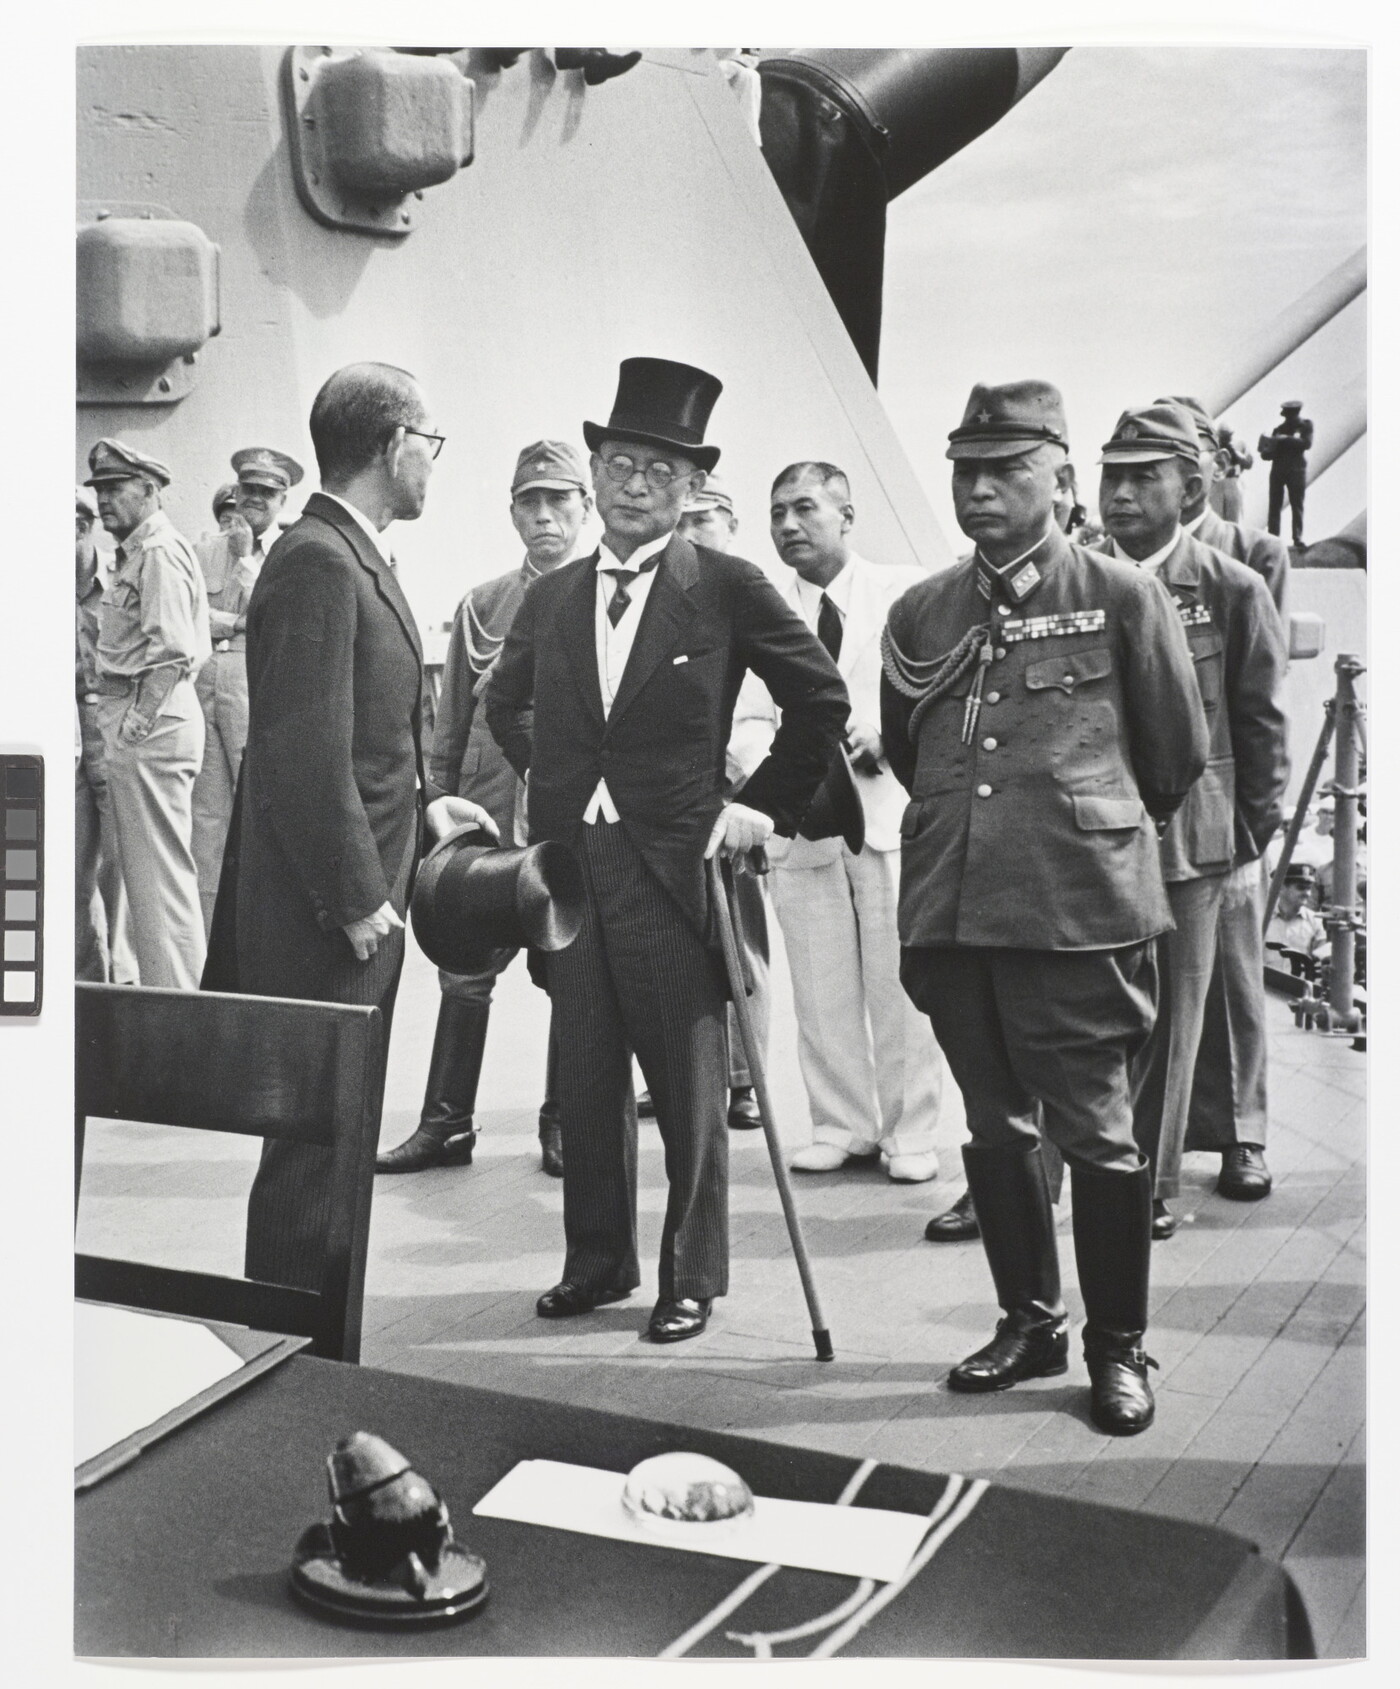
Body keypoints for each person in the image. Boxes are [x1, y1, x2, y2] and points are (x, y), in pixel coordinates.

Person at [486, 357, 848, 1344]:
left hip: (681, 866)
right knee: (586, 1068)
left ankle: (690, 1278)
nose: (636, 483)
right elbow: (501, 704)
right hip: (572, 869)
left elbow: (820, 703)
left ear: (691, 489)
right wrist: (560, 782)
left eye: (661, 470)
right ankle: (597, 1262)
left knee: (688, 1086)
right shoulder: (556, 595)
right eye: (620, 463)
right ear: (595, 471)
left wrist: (760, 808)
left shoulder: (726, 585)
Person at [882, 380, 1208, 1435]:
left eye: (1003, 471)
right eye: (964, 471)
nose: (976, 490)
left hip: (1075, 911)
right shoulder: (922, 609)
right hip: (953, 907)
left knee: (1098, 1138)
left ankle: (1116, 1348)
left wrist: (1073, 830)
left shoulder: (1118, 595)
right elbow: (908, 744)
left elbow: (1170, 757)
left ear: (1059, 479)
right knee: (993, 1126)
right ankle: (1029, 1322)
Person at [204, 363, 497, 1289]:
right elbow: (296, 754)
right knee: (312, 1145)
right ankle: (292, 1345)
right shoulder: (321, 560)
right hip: (326, 921)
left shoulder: (339, 552)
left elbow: (358, 736)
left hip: (344, 905)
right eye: (431, 445)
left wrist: (423, 803)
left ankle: (314, 1335)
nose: (433, 465)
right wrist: (359, 895)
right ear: (395, 443)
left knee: (334, 1141)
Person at [1095, 402, 1288, 1242]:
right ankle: (1061, 1165)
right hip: (1087, 834)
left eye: (1145, 476)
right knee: (1082, 1008)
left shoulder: (1232, 586)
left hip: (1192, 839)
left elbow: (1261, 724)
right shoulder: (1074, 576)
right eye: (1113, 475)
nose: (1123, 494)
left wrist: (1250, 838)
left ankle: (1152, 1178)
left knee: (1176, 1018)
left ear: (1192, 487)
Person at [376, 440, 593, 1179]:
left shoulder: (607, 595)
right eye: (529, 501)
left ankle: (564, 1120)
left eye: (558, 499)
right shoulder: (484, 604)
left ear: (584, 507)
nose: (543, 515)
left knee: (570, 969)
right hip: (490, 811)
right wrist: (438, 797)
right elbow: (451, 721)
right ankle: (447, 1123)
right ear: (511, 511)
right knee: (466, 968)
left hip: (570, 816)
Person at [751, 460, 947, 1185]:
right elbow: (743, 721)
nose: (789, 525)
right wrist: (782, 767)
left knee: (901, 988)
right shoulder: (761, 607)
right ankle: (842, 1123)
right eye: (777, 512)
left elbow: (936, 694)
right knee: (820, 984)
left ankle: (911, 1131)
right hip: (805, 823)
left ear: (847, 515)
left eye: (804, 508)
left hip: (889, 814)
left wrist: (888, 736)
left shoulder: (905, 594)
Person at [1162, 397, 1290, 1203]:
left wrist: (1254, 824)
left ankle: (1243, 1134)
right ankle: (1162, 1140)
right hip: (1148, 808)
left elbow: (1262, 690)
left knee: (1237, 975)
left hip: (1227, 798)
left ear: (1210, 461)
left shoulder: (1252, 554)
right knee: (1162, 987)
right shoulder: (1110, 554)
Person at [86, 439, 211, 991]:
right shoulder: (139, 550)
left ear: (150, 490)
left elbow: (174, 652)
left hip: (149, 719)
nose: (106, 500)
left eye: (116, 489)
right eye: (101, 490)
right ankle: (178, 1012)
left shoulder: (157, 550)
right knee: (152, 885)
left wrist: (135, 725)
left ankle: (182, 1020)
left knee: (159, 888)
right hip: (146, 716)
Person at [671, 470, 768, 1131]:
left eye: (703, 517)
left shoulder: (749, 593)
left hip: (734, 798)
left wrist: (728, 776)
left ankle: (747, 1078)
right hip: (671, 804)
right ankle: (686, 1070)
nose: (691, 532)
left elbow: (765, 707)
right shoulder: (663, 597)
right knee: (678, 943)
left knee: (743, 945)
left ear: (731, 524)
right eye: (681, 520)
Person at [191, 448, 305, 935]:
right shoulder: (202, 550)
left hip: (254, 681)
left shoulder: (291, 550)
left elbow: (276, 615)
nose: (254, 500)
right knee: (207, 817)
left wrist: (243, 563)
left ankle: (265, 928)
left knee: (259, 804)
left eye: (266, 493)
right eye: (248, 490)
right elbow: (192, 614)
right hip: (204, 682)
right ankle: (209, 929)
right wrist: (234, 621)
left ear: (282, 500)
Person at [75, 483, 137, 984]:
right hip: (62, 736)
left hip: (114, 729)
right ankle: (87, 985)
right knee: (72, 869)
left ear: (81, 527)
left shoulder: (123, 579)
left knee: (124, 865)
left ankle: (125, 983)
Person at [1163, 396, 1289, 613]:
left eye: (1184, 454)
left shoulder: (1256, 555)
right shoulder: (1108, 557)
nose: (1164, 471)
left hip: (1232, 484)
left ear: (1219, 465)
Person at [1261, 400, 1312, 546]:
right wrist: (1266, 448)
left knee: (1297, 504)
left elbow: (1306, 443)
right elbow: (1268, 455)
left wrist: (1285, 439)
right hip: (1278, 471)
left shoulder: (1305, 426)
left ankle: (1297, 537)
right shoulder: (1278, 430)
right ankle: (1273, 538)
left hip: (1296, 471)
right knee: (1274, 505)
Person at [1266, 863, 1328, 965]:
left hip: (1300, 980)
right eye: (1301, 888)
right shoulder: (1262, 919)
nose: (1307, 893)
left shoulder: (1315, 921)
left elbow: (1321, 961)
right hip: (1266, 980)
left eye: (1309, 889)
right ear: (1281, 888)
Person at [1214, 425, 1253, 524]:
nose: (1226, 439)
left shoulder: (1239, 444)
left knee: (1234, 518)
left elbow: (1249, 463)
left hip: (1233, 481)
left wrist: (1235, 454)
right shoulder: (1213, 446)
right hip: (1217, 483)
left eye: (1228, 436)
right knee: (1217, 518)